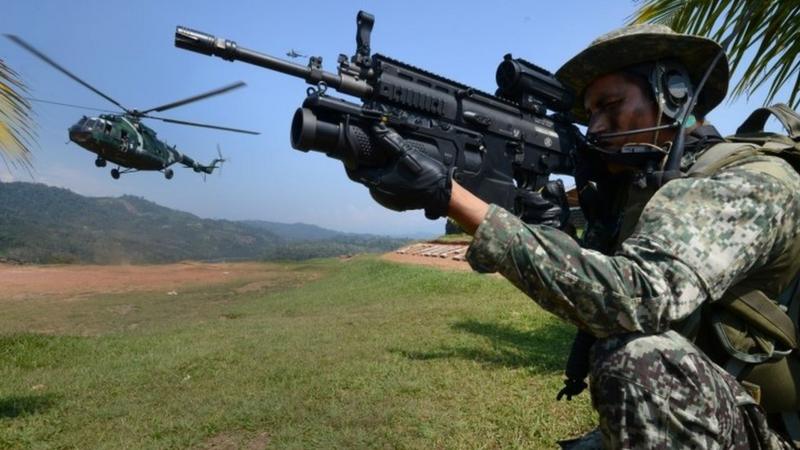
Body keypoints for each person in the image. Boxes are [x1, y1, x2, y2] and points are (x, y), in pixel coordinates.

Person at [347, 24, 800, 448]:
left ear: (673, 94)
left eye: (609, 105)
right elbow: (588, 283)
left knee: (638, 360)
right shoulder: (639, 191)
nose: (596, 127)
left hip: (769, 429)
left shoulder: (749, 179)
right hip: (709, 410)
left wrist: (460, 204)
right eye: (589, 114)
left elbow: (636, 298)